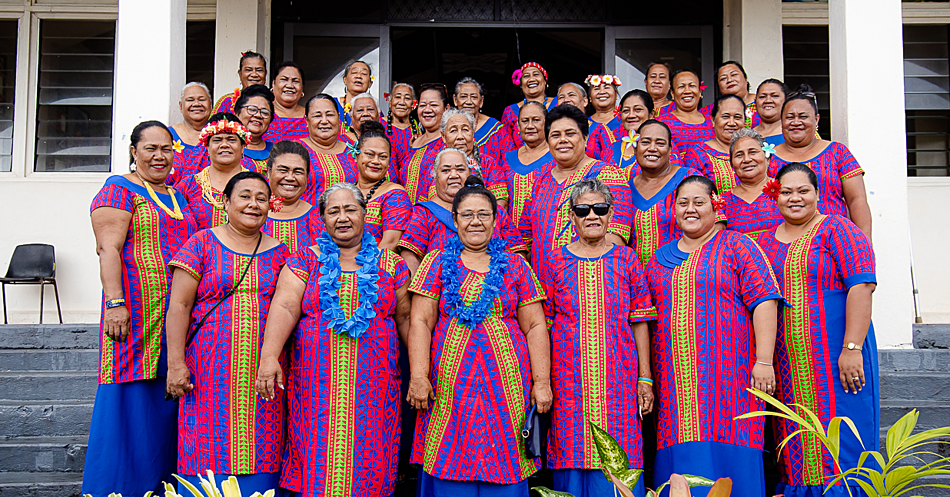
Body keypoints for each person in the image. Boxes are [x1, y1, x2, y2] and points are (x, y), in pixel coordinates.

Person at [255, 182, 412, 496]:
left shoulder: (390, 264)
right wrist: (269, 357)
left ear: (364, 213)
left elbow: (407, 317)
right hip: (316, 388)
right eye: (334, 211)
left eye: (350, 209)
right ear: (323, 218)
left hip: (375, 388)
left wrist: (423, 371)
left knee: (371, 461)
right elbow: (285, 307)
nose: (343, 217)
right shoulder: (304, 259)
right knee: (315, 460)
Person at [406, 176, 552, 496]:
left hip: (506, 390)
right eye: (467, 214)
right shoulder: (436, 262)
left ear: (495, 219)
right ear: (455, 219)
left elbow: (535, 326)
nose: (476, 221)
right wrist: (418, 375)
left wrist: (541, 382)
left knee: (506, 458)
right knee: (448, 462)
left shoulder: (515, 265)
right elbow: (420, 321)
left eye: (483, 214)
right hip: (449, 390)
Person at [646, 175, 782, 497]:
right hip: (676, 386)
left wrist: (764, 361)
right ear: (673, 210)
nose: (690, 209)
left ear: (715, 205)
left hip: (730, 382)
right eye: (683, 203)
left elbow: (764, 301)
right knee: (681, 465)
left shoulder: (739, 246)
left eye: (699, 202)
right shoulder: (657, 260)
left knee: (733, 460)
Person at [83, 121, 198, 497]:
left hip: (172, 317)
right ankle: (116, 488)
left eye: (166, 149)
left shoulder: (177, 194)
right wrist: (115, 302)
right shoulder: (119, 188)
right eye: (151, 148)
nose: (159, 156)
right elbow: (108, 248)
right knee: (129, 400)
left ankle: (159, 487)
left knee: (165, 401)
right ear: (134, 151)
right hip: (132, 316)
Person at [757, 163, 879, 497]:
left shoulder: (838, 228)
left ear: (817, 193)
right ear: (775, 195)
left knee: (845, 434)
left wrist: (851, 348)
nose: (795, 198)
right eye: (786, 191)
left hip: (838, 356)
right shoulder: (765, 242)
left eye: (803, 190)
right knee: (797, 439)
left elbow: (861, 286)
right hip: (790, 363)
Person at [165, 171, 288, 494]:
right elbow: (179, 305)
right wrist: (175, 364)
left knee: (264, 440)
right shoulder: (201, 243)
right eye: (245, 196)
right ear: (225, 202)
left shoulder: (282, 252)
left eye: (261, 198)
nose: (253, 204)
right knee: (207, 440)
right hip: (209, 368)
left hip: (262, 368)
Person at [538, 178, 657, 497]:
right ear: (572, 217)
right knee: (570, 457)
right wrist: (542, 381)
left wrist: (645, 379)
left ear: (610, 214)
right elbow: (542, 326)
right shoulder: (553, 261)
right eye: (583, 210)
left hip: (618, 383)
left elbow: (640, 321)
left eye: (600, 208)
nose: (592, 215)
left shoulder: (628, 259)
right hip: (568, 383)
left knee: (619, 458)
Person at [520, 104, 633, 279]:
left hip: (588, 283)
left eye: (570, 133)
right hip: (542, 285)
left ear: (585, 138)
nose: (562, 140)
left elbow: (616, 236)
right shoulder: (540, 179)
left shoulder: (607, 175)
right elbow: (525, 236)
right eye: (555, 135)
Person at [398, 148, 525, 274]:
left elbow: (517, 251)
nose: (454, 175)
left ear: (470, 173)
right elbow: (410, 254)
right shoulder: (424, 213)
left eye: (460, 169)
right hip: (442, 285)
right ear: (435, 176)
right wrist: (423, 282)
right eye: (446, 170)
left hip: (496, 283)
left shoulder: (494, 210)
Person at [769, 85, 872, 236]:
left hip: (833, 239)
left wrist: (864, 244)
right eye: (790, 117)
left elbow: (857, 200)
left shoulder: (838, 152)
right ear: (781, 121)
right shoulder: (767, 158)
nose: (796, 122)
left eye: (803, 117)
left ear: (816, 120)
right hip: (782, 242)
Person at [629, 120, 700, 266]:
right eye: (645, 142)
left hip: (681, 272)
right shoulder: (625, 187)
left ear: (670, 150)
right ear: (635, 148)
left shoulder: (690, 179)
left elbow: (714, 225)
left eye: (660, 143)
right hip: (637, 276)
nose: (652, 148)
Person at [178, 113, 252, 229]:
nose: (224, 145)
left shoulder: (257, 185)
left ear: (242, 147)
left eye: (231, 140)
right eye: (217, 140)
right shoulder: (188, 186)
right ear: (207, 147)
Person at [502, 101, 552, 252]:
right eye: (524, 121)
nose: (530, 126)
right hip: (510, 242)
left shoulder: (556, 157)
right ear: (518, 126)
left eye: (536, 120)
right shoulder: (507, 158)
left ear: (546, 123)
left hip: (545, 240)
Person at [356, 121, 412, 250]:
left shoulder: (396, 195)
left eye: (383, 157)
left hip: (376, 261)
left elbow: (390, 244)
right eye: (370, 154)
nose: (376, 161)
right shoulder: (347, 192)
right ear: (356, 155)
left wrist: (359, 263)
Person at [296, 94, 359, 204]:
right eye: (317, 116)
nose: (324, 121)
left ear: (338, 117)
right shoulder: (294, 151)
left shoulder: (354, 150)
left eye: (330, 115)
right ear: (307, 120)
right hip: (308, 214)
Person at [263, 140, 324, 252]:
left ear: (307, 177)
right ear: (268, 172)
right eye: (283, 170)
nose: (290, 178)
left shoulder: (320, 219)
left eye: (298, 172)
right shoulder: (254, 215)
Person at [719, 128, 782, 237]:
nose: (747, 159)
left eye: (753, 152)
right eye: (739, 155)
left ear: (767, 158)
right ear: (732, 164)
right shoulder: (723, 203)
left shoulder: (785, 191)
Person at [683, 95, 745, 194]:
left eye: (737, 117)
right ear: (713, 120)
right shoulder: (697, 153)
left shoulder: (754, 152)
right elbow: (691, 192)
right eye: (725, 117)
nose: (732, 123)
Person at [397, 84, 448, 204]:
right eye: (422, 105)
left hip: (434, 212)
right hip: (406, 211)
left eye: (434, 105)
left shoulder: (448, 142)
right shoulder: (413, 142)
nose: (427, 110)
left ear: (446, 109)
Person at [656, 70, 713, 157]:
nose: (687, 91)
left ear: (700, 92)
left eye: (692, 86)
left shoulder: (713, 122)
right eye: (681, 87)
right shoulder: (661, 123)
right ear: (672, 94)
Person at [502, 62, 558, 149]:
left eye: (536, 74)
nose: (531, 79)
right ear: (521, 84)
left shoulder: (559, 103)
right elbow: (505, 145)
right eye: (526, 76)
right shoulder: (510, 111)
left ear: (545, 81)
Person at [455, 77, 509, 164]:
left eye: (474, 97)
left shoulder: (497, 129)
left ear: (481, 101)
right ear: (455, 100)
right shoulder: (447, 128)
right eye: (463, 97)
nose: (468, 102)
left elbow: (509, 161)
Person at [169, 82, 211, 185]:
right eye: (190, 100)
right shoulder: (167, 136)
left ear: (210, 105)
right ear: (181, 106)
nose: (196, 104)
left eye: (202, 99)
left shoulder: (220, 136)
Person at [556, 82, 608, 162]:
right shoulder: (553, 130)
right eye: (561, 97)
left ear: (585, 101)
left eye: (571, 95)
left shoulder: (599, 129)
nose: (566, 100)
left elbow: (610, 161)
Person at [611, 89, 654, 178]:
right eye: (626, 111)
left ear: (651, 114)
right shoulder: (610, 148)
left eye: (638, 110)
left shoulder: (660, 147)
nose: (631, 115)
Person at [235, 84, 275, 173]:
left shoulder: (277, 152)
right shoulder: (225, 148)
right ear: (237, 113)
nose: (258, 115)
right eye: (252, 109)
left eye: (265, 112)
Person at [263, 61, 308, 142]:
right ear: (273, 84)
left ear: (302, 88)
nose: (290, 85)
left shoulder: (311, 116)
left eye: (296, 81)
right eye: (284, 79)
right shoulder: (262, 114)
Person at [706, 61, 759, 127]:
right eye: (723, 78)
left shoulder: (763, 103)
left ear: (745, 79)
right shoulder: (709, 111)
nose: (729, 80)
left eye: (734, 75)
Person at [585, 73, 626, 150]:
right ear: (590, 98)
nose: (602, 92)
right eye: (596, 89)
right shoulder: (584, 124)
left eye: (607, 88)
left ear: (616, 95)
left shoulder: (626, 119)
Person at [336, 60, 373, 130]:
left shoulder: (375, 111)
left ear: (370, 83)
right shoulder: (332, 105)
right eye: (354, 72)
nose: (358, 76)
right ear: (345, 80)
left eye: (364, 74)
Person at [386, 82, 419, 155]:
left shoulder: (417, 127)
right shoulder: (380, 124)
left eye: (407, 98)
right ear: (390, 102)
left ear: (413, 105)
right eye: (398, 97)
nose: (402, 102)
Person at [752, 79, 787, 146]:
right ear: (755, 102)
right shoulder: (748, 135)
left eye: (775, 96)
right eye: (762, 97)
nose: (768, 100)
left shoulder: (794, 133)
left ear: (786, 100)